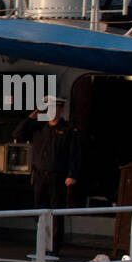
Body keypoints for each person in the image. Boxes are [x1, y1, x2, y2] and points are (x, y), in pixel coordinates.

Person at [13, 95, 81, 252]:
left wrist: (72, 175)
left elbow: (74, 155)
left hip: (58, 176)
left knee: (56, 211)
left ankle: (54, 246)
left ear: (61, 109)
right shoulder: (39, 128)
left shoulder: (69, 130)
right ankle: (42, 241)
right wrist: (33, 115)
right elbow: (17, 134)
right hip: (40, 175)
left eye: (55, 108)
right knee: (40, 209)